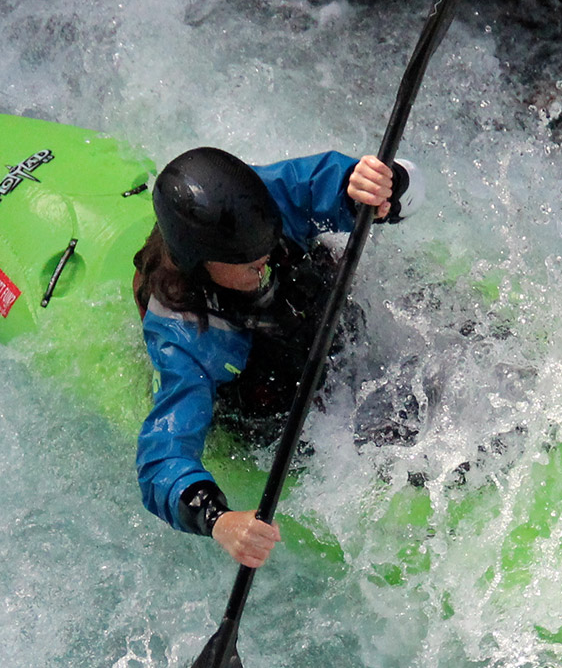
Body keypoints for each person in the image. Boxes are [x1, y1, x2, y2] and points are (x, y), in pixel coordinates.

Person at [132, 146, 416, 569]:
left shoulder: (258, 202)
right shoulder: (184, 334)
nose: (262, 262)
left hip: (326, 332)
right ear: (201, 261)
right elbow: (162, 459)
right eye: (246, 261)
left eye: (263, 249)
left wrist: (373, 185)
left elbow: (325, 181)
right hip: (268, 397)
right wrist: (218, 520)